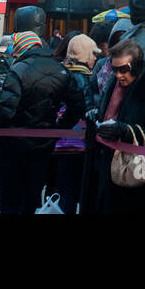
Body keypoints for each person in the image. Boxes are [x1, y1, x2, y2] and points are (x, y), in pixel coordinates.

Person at [82, 39, 145, 214]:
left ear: (136, 66)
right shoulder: (112, 84)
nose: (118, 74)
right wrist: (95, 115)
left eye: (123, 69)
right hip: (108, 164)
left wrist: (125, 130)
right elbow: (106, 112)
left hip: (137, 170)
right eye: (114, 68)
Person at [0, 30, 84, 213]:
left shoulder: (19, 69)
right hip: (44, 141)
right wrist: (60, 128)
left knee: (11, 198)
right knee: (33, 194)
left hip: (14, 142)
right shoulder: (61, 70)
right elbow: (77, 105)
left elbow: (5, 109)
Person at [55, 33, 100, 212]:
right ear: (85, 55)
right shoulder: (83, 79)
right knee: (72, 191)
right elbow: (86, 110)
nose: (95, 58)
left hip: (59, 142)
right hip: (77, 143)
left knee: (61, 188)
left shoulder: (61, 72)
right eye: (93, 54)